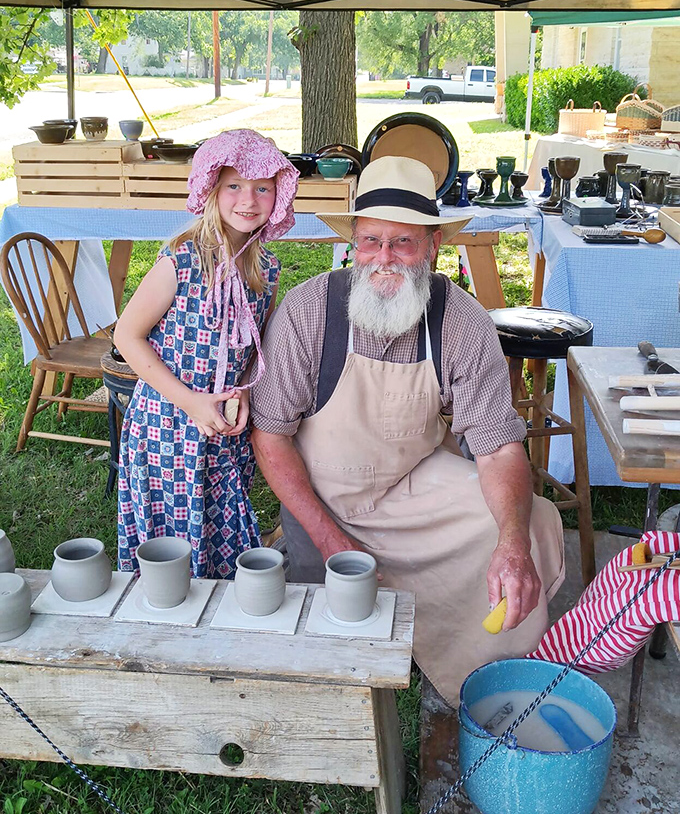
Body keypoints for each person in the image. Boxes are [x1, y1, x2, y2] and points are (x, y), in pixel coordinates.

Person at [250, 155, 564, 704]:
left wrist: (511, 545)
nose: (384, 259)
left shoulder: (462, 322)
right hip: (321, 498)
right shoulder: (310, 311)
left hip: (409, 489)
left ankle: (487, 688)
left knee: (530, 521)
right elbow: (270, 436)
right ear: (353, 242)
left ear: (434, 245)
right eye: (371, 241)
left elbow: (497, 449)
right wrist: (329, 540)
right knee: (319, 650)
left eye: (403, 243)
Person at [115, 129, 298, 579]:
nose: (248, 200)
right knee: (170, 551)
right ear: (211, 189)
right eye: (234, 185)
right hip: (167, 425)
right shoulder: (181, 261)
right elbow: (127, 336)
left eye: (262, 188)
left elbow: (257, 348)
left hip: (221, 428)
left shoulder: (266, 271)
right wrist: (190, 401)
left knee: (220, 530)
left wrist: (247, 395)